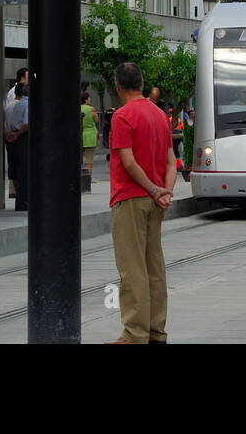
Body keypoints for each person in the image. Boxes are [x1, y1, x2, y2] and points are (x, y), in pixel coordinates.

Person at [107, 62, 174, 344]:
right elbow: (171, 159)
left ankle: (134, 334)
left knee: (132, 268)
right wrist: (165, 192)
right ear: (143, 83)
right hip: (155, 201)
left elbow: (128, 162)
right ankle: (156, 331)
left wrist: (152, 189)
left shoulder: (122, 116)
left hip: (130, 197)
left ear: (118, 87)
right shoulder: (160, 115)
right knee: (154, 266)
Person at [4, 68, 28, 198]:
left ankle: (18, 192)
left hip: (12, 135)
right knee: (19, 165)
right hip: (17, 135)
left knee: (15, 165)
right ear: (22, 78)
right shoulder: (15, 94)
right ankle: (19, 193)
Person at [81, 90, 99, 175]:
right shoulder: (91, 109)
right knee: (89, 159)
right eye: (89, 98)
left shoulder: (77, 108)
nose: (90, 99)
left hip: (80, 136)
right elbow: (96, 120)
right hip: (90, 136)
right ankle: (88, 178)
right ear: (86, 100)